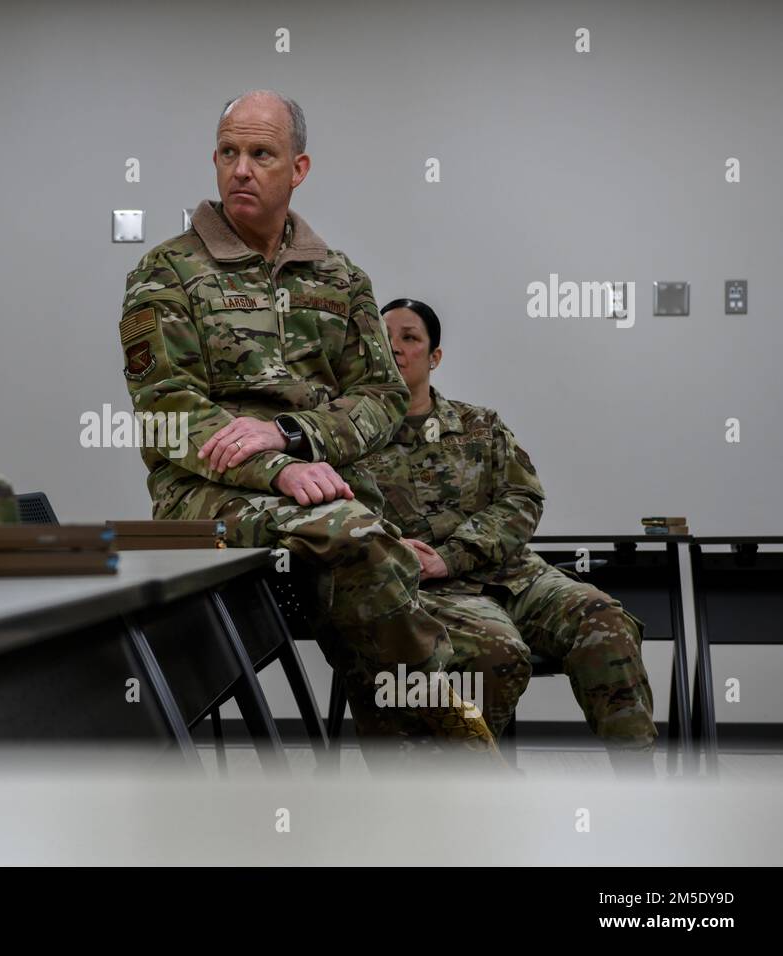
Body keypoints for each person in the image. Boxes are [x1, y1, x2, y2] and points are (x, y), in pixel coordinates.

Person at [116, 89, 500, 764]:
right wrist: (277, 465)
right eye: (229, 153)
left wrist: (292, 435)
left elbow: (382, 396)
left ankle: (414, 757)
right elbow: (168, 414)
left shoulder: (341, 278)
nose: (241, 169)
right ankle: (445, 746)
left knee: (455, 606)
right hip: (203, 493)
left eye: (261, 154)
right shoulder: (166, 272)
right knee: (352, 533)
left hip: (318, 483)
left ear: (298, 169)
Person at [362, 297, 658, 771]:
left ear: (434, 357)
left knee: (604, 618)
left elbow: (523, 500)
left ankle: (639, 782)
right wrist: (412, 555)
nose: (395, 347)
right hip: (432, 591)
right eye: (385, 338)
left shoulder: (481, 425)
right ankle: (473, 785)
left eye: (410, 338)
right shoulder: (353, 439)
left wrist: (455, 553)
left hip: (516, 577)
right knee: (499, 651)